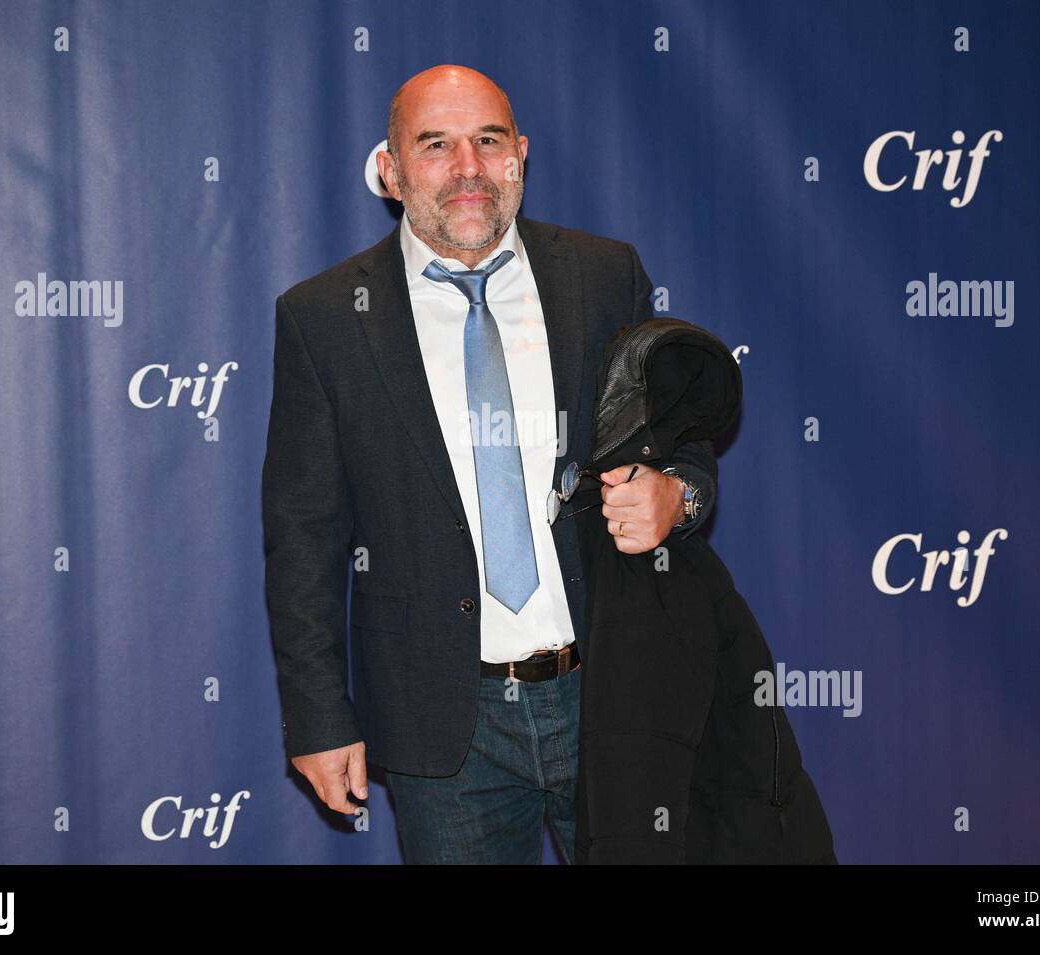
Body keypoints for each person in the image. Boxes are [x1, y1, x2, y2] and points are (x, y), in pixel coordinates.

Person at [261, 63, 717, 864]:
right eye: (435, 145)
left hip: (610, 690)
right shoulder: (325, 318)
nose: (468, 167)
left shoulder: (605, 275)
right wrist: (319, 714)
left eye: (488, 141)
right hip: (444, 723)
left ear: (521, 156)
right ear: (392, 171)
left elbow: (683, 437)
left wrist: (677, 495)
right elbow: (302, 533)